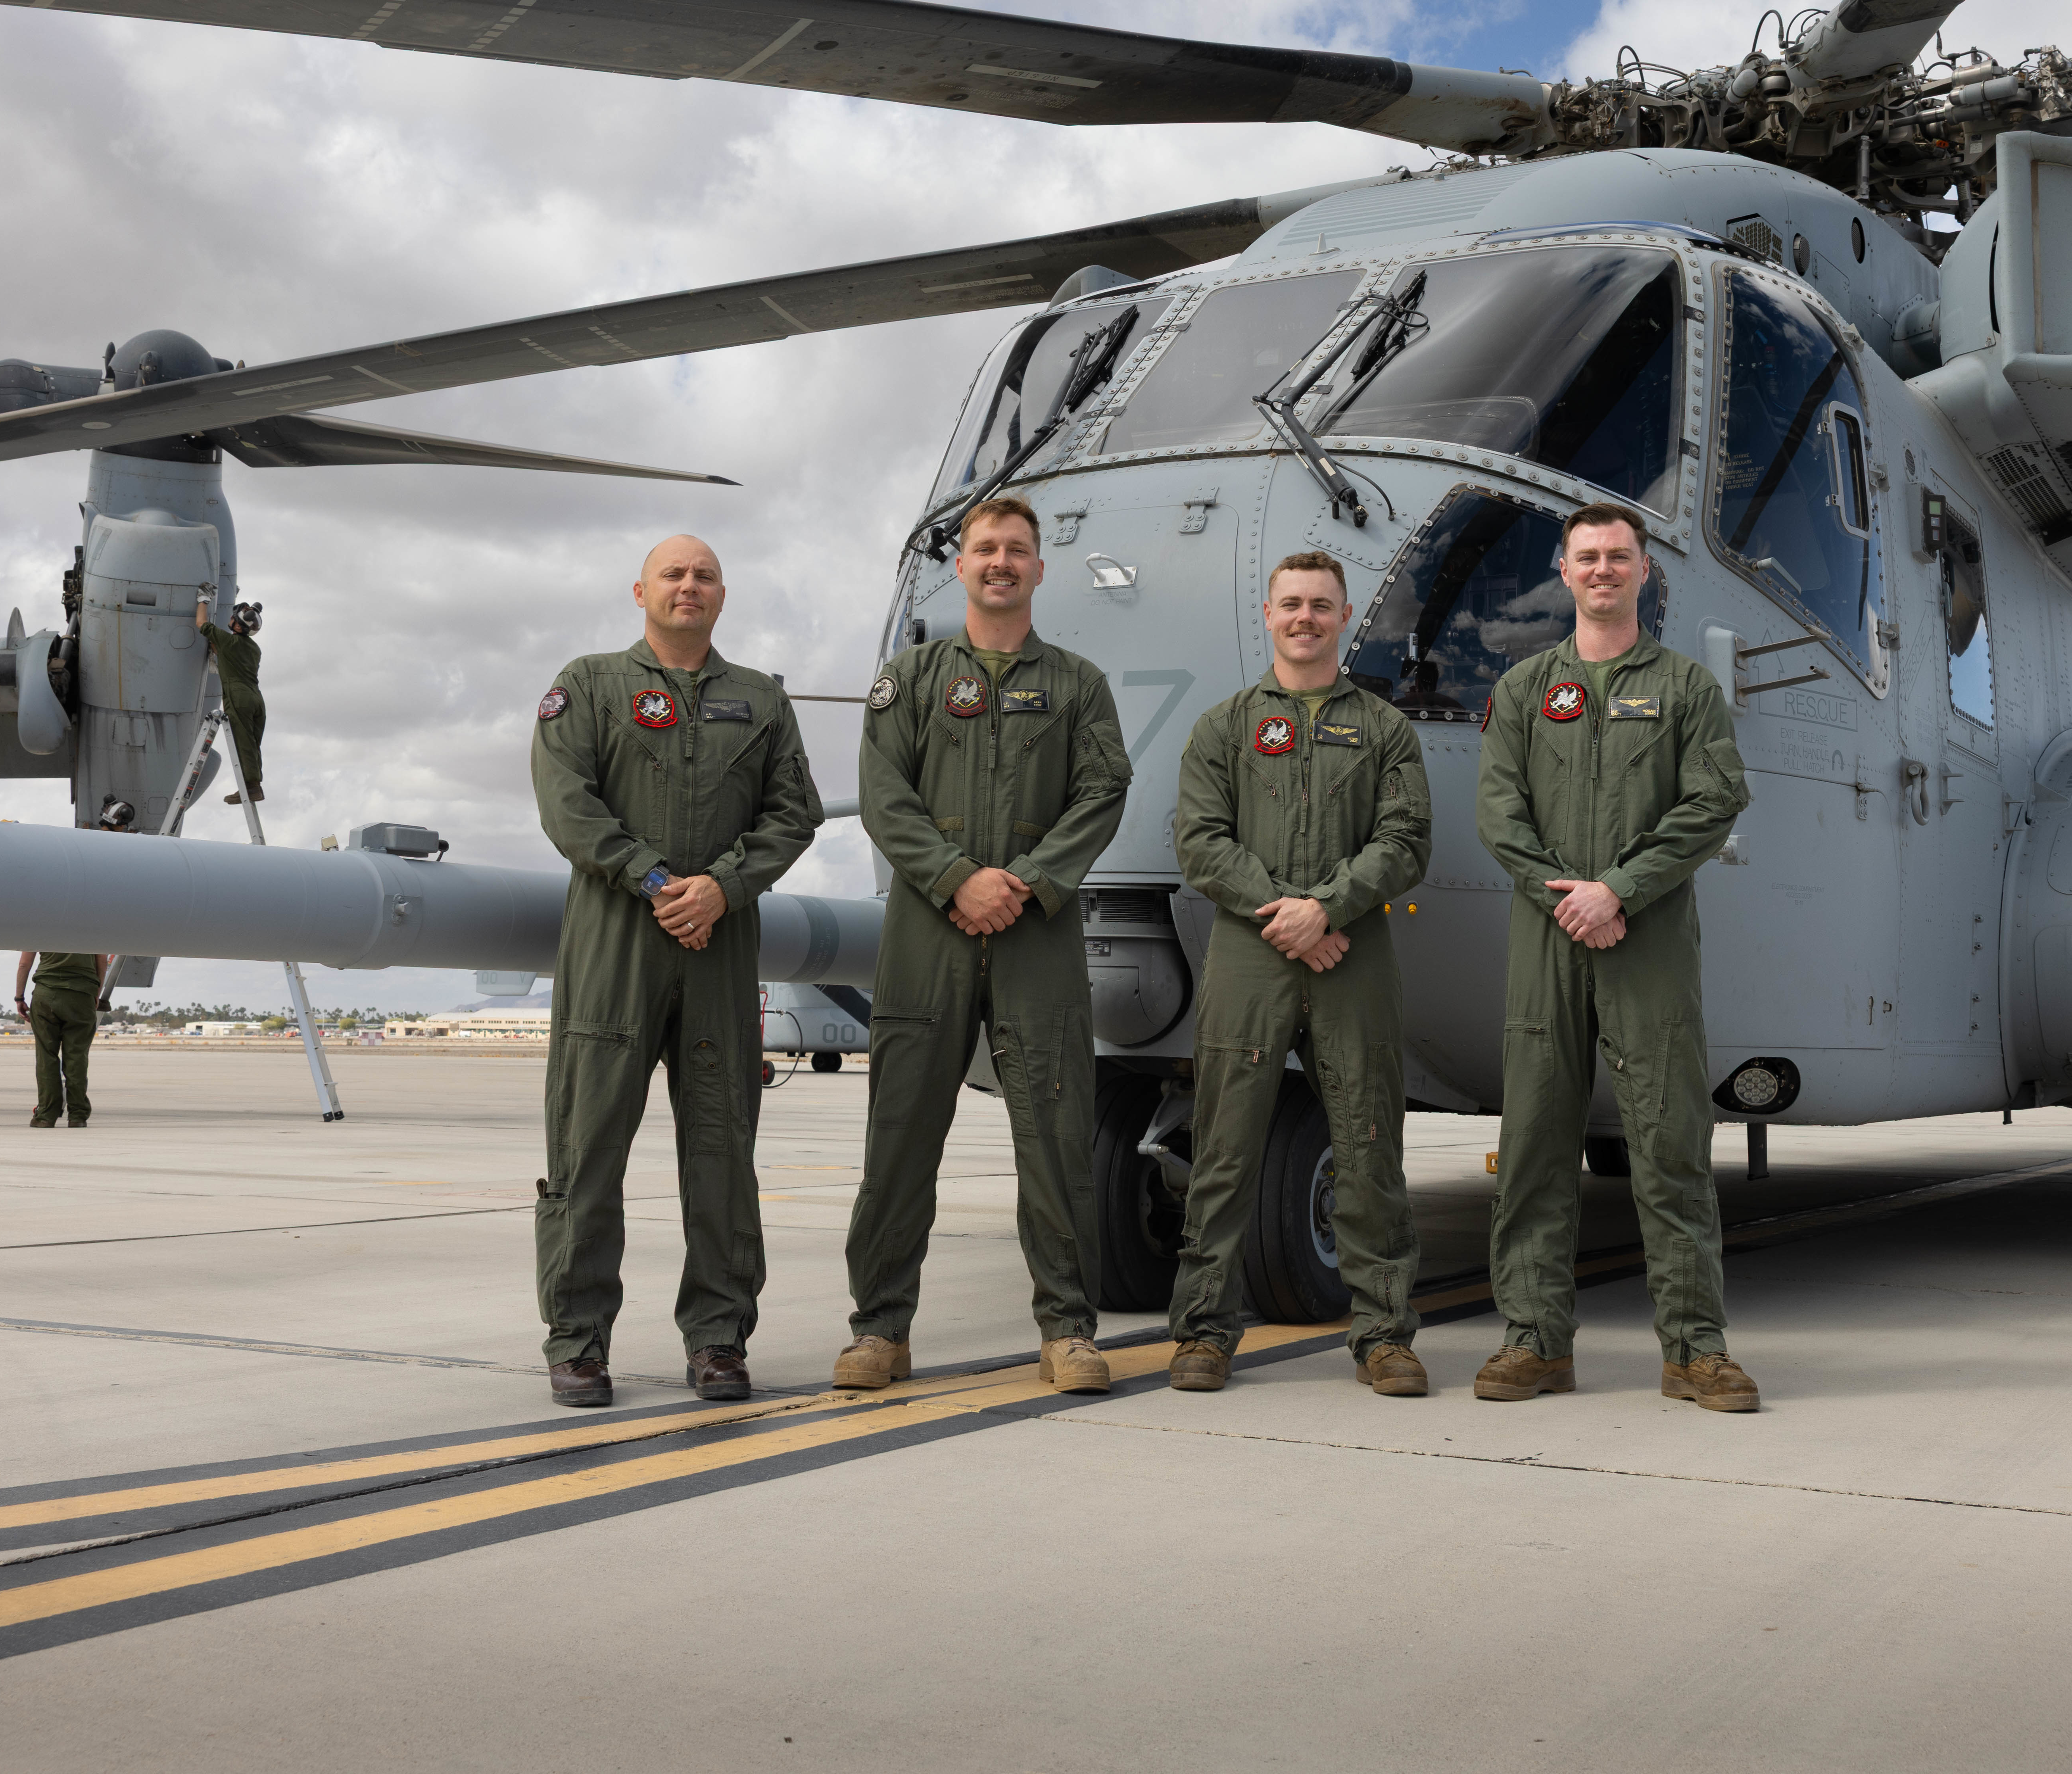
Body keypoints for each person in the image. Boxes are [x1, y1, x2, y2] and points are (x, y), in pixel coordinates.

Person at [839, 497, 1132, 1395]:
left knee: (1054, 1132)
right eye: (984, 548)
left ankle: (1067, 1329)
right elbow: (884, 792)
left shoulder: (1078, 683)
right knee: (900, 1134)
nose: (1000, 561)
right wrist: (955, 876)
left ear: (1040, 569)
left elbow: (1103, 792)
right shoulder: (913, 678)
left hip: (1036, 933)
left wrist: (1031, 881)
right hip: (929, 929)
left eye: (1017, 550)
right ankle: (880, 1328)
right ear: (960, 566)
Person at [1472, 501, 1757, 1412]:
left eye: (1618, 556)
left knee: (1669, 1142)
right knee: (1533, 1145)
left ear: (1643, 572)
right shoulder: (1522, 692)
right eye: (1587, 556)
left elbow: (1714, 800)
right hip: (1547, 936)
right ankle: (1534, 1342)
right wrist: (1569, 894)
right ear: (1563, 570)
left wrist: (1619, 889)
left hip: (1647, 942)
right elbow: (1499, 811)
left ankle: (1694, 1351)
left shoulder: (1684, 690)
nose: (1602, 569)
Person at [531, 536, 820, 1408]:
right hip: (614, 942)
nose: (688, 586)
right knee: (586, 1150)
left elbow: (793, 811)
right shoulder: (586, 684)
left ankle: (719, 1340)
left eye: (703, 575)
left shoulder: (760, 698)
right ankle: (578, 1341)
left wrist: (721, 889)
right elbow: (565, 801)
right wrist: (659, 882)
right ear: (641, 591)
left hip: (720, 946)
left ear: (721, 596)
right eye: (673, 573)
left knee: (723, 1149)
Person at [1165, 551, 1432, 1395]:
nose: (1305, 617)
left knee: (1368, 1143)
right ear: (1269, 613)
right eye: (1292, 604)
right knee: (1224, 1146)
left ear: (1345, 616)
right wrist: (1289, 911)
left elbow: (1405, 841)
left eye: (1321, 604)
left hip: (1352, 951)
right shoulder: (1224, 726)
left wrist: (1329, 907)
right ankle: (1204, 1331)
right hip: (1253, 949)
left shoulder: (1385, 728)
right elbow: (1201, 840)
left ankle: (1383, 1331)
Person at [13, 948, 113, 1128]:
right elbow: (102, 962)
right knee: (77, 1056)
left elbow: (24, 964)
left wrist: (19, 997)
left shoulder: (39, 923)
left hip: (46, 994)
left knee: (46, 1056)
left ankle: (46, 1115)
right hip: (82, 996)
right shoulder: (96, 924)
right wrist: (95, 994)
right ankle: (78, 1115)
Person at [192, 593, 267, 804]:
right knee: (253, 744)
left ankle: (251, 788)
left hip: (239, 697)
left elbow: (202, 623)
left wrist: (203, 600)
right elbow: (229, 657)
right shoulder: (255, 649)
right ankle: (255, 787)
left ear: (236, 625)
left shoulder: (228, 641)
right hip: (257, 699)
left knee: (242, 743)